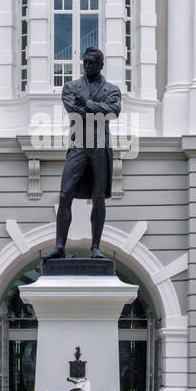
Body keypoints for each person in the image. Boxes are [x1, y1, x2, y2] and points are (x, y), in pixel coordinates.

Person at [43, 46, 120, 260]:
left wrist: (87, 103)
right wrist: (97, 107)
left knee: (99, 198)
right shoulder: (71, 86)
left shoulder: (112, 89)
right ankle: (60, 245)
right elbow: (73, 110)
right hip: (78, 144)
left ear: (101, 65)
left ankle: (95, 247)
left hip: (101, 145)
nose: (87, 66)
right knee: (65, 194)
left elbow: (114, 112)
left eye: (91, 63)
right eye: (85, 62)